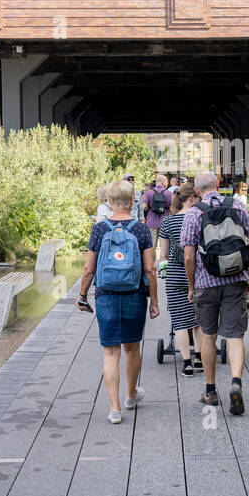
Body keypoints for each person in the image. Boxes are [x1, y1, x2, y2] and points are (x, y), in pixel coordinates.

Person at [78, 180, 160, 425]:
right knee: (132, 348)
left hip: (106, 296)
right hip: (135, 295)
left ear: (109, 202)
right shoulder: (142, 230)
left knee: (110, 351)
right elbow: (150, 270)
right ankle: (131, 395)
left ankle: (114, 408)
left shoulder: (99, 229)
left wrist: (82, 296)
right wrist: (154, 301)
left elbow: (88, 269)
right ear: (133, 201)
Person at [181, 171, 249, 415]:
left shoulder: (194, 213)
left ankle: (211, 391)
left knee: (208, 336)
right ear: (218, 184)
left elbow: (188, 256)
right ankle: (235, 383)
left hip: (206, 284)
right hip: (235, 280)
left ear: (196, 191)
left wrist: (192, 286)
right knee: (235, 335)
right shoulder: (237, 205)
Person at [158, 182, 205, 376]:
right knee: (199, 320)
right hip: (199, 274)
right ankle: (200, 359)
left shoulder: (168, 222)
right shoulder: (202, 219)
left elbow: (163, 256)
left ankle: (186, 364)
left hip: (176, 275)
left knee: (179, 321)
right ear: (192, 198)